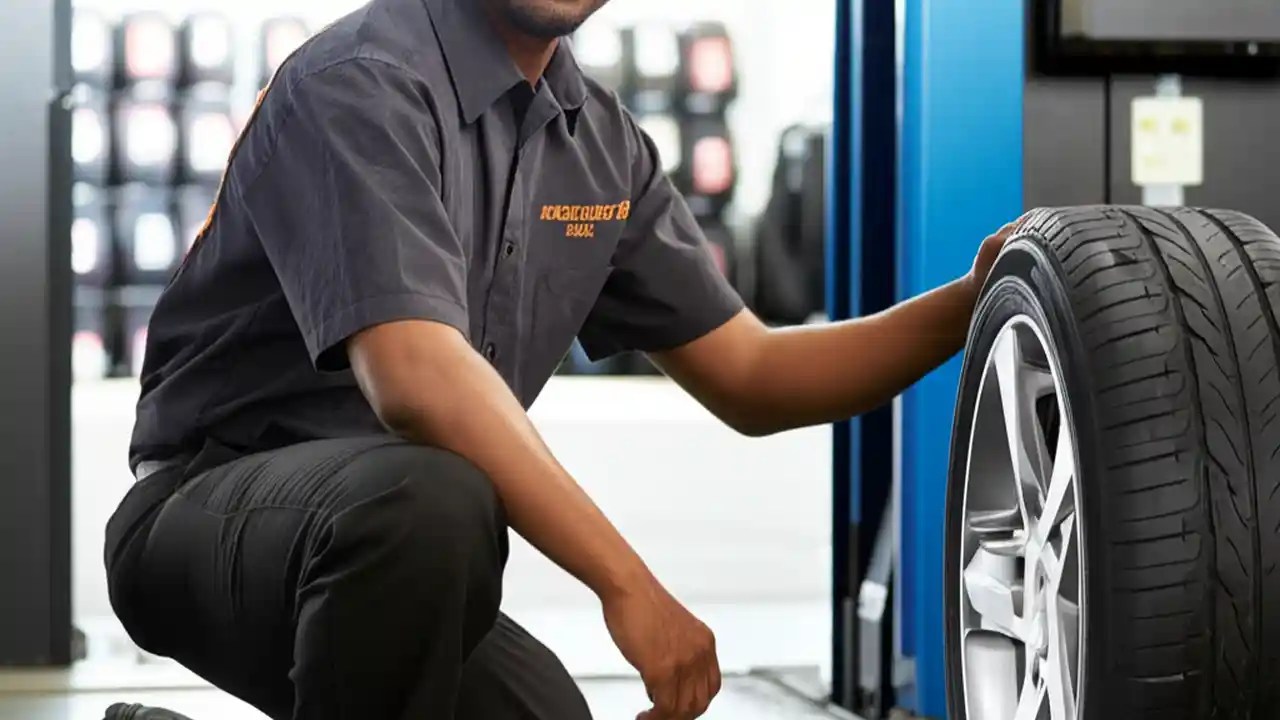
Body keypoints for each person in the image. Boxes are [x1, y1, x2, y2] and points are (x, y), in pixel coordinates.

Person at [103, 0, 1016, 718]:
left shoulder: (600, 147)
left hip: (393, 549)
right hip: (205, 516)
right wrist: (630, 588)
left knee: (544, 712)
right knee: (432, 496)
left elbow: (754, 376)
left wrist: (975, 301)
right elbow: (415, 378)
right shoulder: (360, 81)